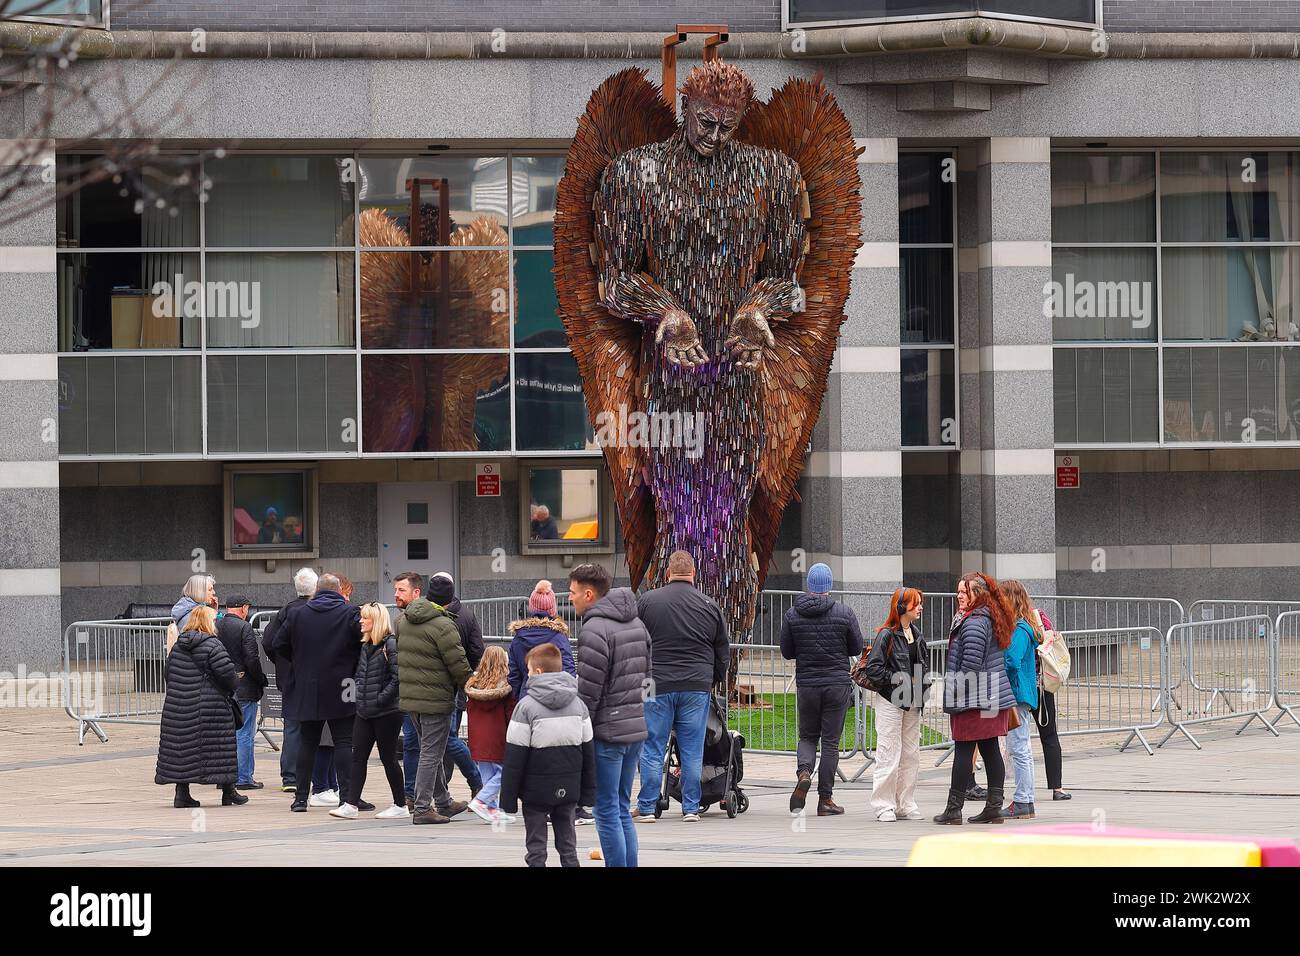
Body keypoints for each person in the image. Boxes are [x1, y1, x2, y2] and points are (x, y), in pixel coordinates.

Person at [633, 550, 729, 823]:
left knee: (652, 745)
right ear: (694, 573)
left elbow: (636, 641)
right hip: (696, 684)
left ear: (668, 573)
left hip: (653, 683)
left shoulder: (648, 602)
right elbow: (722, 649)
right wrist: (713, 678)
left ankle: (648, 807)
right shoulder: (709, 605)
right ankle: (690, 807)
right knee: (691, 747)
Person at [572, 563, 649, 867]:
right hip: (634, 727)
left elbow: (588, 693)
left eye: (574, 592)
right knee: (620, 806)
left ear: (589, 594)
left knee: (605, 809)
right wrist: (639, 712)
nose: (571, 598)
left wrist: (580, 733)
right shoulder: (637, 623)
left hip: (607, 732)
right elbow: (648, 679)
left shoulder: (594, 629)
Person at [500, 643, 596, 868]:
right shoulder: (579, 705)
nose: (528, 675)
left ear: (538, 672)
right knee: (568, 843)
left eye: (529, 670)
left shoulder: (525, 707)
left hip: (535, 790)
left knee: (536, 846)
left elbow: (514, 756)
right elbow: (588, 752)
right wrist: (588, 793)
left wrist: (508, 798)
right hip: (569, 786)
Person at [272, 572, 362, 813]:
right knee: (344, 743)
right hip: (344, 686)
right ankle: (346, 798)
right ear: (338, 591)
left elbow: (278, 644)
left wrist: (299, 663)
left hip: (306, 686)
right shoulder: (350, 613)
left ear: (316, 590)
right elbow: (362, 645)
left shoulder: (297, 613)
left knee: (307, 743)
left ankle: (301, 798)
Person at [779, 562, 864, 816]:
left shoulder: (792, 615)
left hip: (807, 684)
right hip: (836, 683)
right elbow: (856, 646)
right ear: (829, 586)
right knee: (830, 743)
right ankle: (825, 799)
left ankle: (804, 771)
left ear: (809, 586)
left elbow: (786, 652)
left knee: (807, 737)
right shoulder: (844, 612)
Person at [933, 572, 1017, 825]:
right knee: (990, 749)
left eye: (964, 591)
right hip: (987, 696)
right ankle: (993, 808)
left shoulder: (974, 622)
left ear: (977, 595)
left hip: (973, 699)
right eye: (958, 591)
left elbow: (969, 664)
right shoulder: (986, 617)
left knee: (964, 750)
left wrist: (953, 692)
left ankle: (954, 809)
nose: (958, 595)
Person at [395, 570, 472, 824]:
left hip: (411, 699)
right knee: (430, 753)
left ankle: (444, 802)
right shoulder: (444, 624)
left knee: (432, 749)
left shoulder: (403, 621)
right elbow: (458, 663)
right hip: (435, 698)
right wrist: (470, 686)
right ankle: (422, 808)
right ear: (448, 601)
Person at [155, 605, 247, 808]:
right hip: (210, 708)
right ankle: (228, 792)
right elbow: (228, 678)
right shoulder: (213, 646)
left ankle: (182, 794)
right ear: (207, 622)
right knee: (220, 748)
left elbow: (168, 674)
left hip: (178, 707)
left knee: (182, 750)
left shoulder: (178, 646)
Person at [332, 602, 408, 820]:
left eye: (365, 618)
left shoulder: (390, 644)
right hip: (365, 711)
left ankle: (400, 803)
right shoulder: (366, 645)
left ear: (376, 621)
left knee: (388, 758)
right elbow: (360, 675)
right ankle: (351, 804)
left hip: (387, 713)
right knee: (358, 757)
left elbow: (397, 678)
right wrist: (360, 698)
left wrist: (380, 699)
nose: (360, 621)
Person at [865, 587, 931, 822]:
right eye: (916, 603)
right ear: (902, 606)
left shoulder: (916, 633)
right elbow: (874, 669)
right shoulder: (887, 635)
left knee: (911, 754)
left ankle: (905, 802)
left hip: (912, 703)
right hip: (891, 700)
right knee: (888, 752)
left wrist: (923, 687)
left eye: (921, 602)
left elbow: (922, 665)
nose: (920, 607)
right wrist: (897, 683)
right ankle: (883, 805)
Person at [427, 572, 485, 799]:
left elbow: (475, 652)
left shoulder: (443, 618)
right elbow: (477, 652)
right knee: (445, 740)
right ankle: (445, 790)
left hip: (447, 689)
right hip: (455, 688)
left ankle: (473, 782)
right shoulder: (467, 616)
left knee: (446, 739)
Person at [262, 567, 318, 793]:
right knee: (319, 727)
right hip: (315, 678)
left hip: (290, 679)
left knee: (292, 727)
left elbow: (269, 641)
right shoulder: (317, 610)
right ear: (316, 588)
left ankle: (290, 777)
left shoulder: (285, 611)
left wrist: (282, 662)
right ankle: (318, 775)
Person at [215, 593, 267, 791]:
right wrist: (260, 679)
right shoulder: (244, 627)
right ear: (243, 608)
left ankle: (224, 777)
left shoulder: (215, 625)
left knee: (224, 735)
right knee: (244, 734)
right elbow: (252, 659)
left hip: (221, 687)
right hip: (244, 687)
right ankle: (243, 777)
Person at [1001, 580, 1041, 819]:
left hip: (1016, 693)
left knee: (1018, 748)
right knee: (1020, 746)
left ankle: (1023, 799)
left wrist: (1002, 679)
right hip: (1021, 693)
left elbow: (1012, 661)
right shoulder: (1025, 627)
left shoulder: (1019, 629)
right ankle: (1025, 799)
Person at [465, 645, 516, 824]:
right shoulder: (506, 688)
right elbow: (510, 715)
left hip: (477, 737)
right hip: (498, 736)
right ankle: (480, 801)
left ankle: (492, 810)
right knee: (506, 773)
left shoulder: (473, 687)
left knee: (487, 774)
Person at [507, 580, 575, 700]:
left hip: (527, 697)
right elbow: (568, 672)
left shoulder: (518, 637)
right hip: (555, 699)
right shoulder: (559, 637)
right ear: (553, 609)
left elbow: (514, 676)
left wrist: (519, 699)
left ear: (532, 608)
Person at [1029, 604, 1070, 801]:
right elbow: (1051, 640)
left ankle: (1001, 789)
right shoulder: (1039, 616)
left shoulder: (1007, 620)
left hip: (1020, 688)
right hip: (1042, 684)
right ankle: (1057, 787)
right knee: (1049, 735)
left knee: (1012, 740)